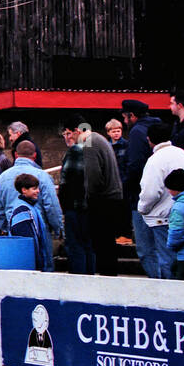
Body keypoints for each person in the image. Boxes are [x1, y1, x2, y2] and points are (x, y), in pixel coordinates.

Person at [57, 116, 124, 276]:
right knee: (98, 248)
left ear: (77, 131)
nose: (68, 138)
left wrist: (89, 203)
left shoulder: (88, 145)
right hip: (110, 200)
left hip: (98, 204)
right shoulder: (100, 140)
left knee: (89, 248)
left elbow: (93, 177)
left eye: (68, 133)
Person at [134, 123, 184, 280]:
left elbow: (151, 192)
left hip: (161, 219)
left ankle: (167, 297)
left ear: (149, 140)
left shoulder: (155, 160)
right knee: (181, 260)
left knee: (164, 260)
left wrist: (142, 208)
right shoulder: (183, 154)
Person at [0, 141, 64, 238]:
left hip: (13, 231)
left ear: (16, 155)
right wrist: (58, 229)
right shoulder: (43, 176)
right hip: (40, 231)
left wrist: (5, 229)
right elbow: (51, 206)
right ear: (35, 155)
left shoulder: (3, 177)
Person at [7, 173, 54, 272]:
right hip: (30, 265)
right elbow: (27, 244)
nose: (38, 191)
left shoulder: (30, 206)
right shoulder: (23, 210)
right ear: (24, 190)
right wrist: (38, 264)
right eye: (34, 188)